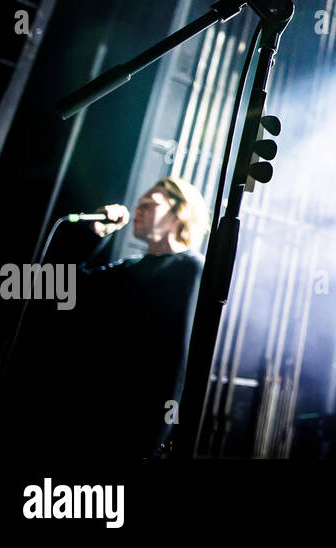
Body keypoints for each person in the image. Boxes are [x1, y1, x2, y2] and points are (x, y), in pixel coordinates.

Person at [22, 177, 209, 458]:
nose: (139, 210)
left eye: (150, 204)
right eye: (139, 204)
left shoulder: (189, 267)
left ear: (179, 212)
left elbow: (177, 360)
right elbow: (64, 289)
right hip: (94, 415)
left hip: (134, 426)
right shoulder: (129, 268)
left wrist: (156, 433)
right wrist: (95, 233)